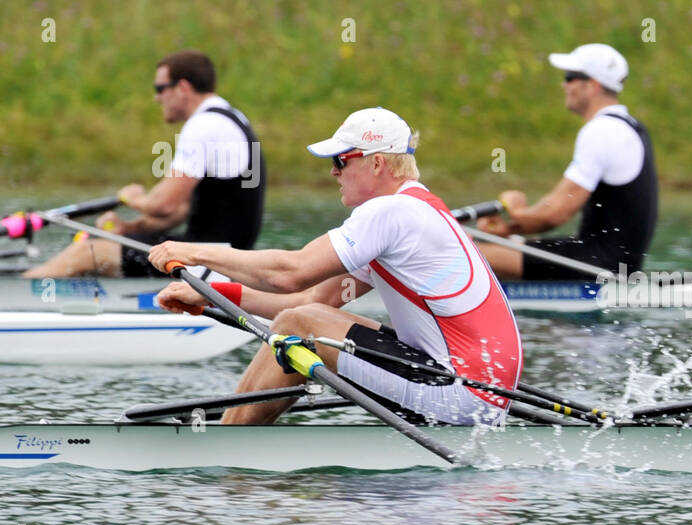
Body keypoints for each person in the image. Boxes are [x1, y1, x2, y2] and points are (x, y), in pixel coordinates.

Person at [149, 108, 522, 426]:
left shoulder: (390, 212)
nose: (333, 172)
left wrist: (197, 253)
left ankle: (225, 445)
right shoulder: (414, 209)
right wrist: (210, 293)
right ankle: (237, 434)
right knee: (303, 317)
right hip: (475, 389)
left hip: (462, 391)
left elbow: (289, 272)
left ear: (377, 162)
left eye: (341, 160)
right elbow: (307, 297)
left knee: (301, 326)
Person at [24, 50, 264, 279]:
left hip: (211, 259)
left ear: (182, 88)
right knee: (100, 245)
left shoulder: (204, 126)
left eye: (160, 88)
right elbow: (180, 211)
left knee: (87, 253)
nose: (157, 97)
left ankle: (16, 299)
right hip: (219, 251)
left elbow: (165, 205)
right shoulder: (230, 117)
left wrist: (133, 197)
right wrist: (129, 228)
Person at [475, 43, 658, 280]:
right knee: (508, 245)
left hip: (598, 265)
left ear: (591, 85)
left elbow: (555, 213)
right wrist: (510, 230)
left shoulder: (602, 131)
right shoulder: (630, 126)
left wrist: (517, 210)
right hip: (610, 261)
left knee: (467, 254)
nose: (563, 85)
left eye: (569, 77)